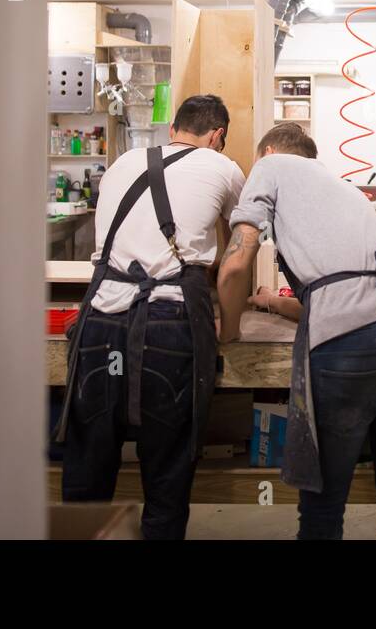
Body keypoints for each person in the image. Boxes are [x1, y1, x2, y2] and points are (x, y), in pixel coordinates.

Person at [217, 123, 376, 540]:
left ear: (271, 151)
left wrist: (228, 331)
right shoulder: (344, 189)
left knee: (324, 503)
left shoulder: (271, 165)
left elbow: (236, 262)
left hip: (348, 350)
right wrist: (273, 302)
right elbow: (346, 292)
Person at [56, 94, 245, 539]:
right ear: (217, 135)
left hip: (100, 318)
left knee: (88, 463)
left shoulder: (123, 163)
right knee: (166, 470)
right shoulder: (224, 167)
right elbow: (243, 245)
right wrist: (231, 323)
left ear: (173, 129)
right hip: (168, 321)